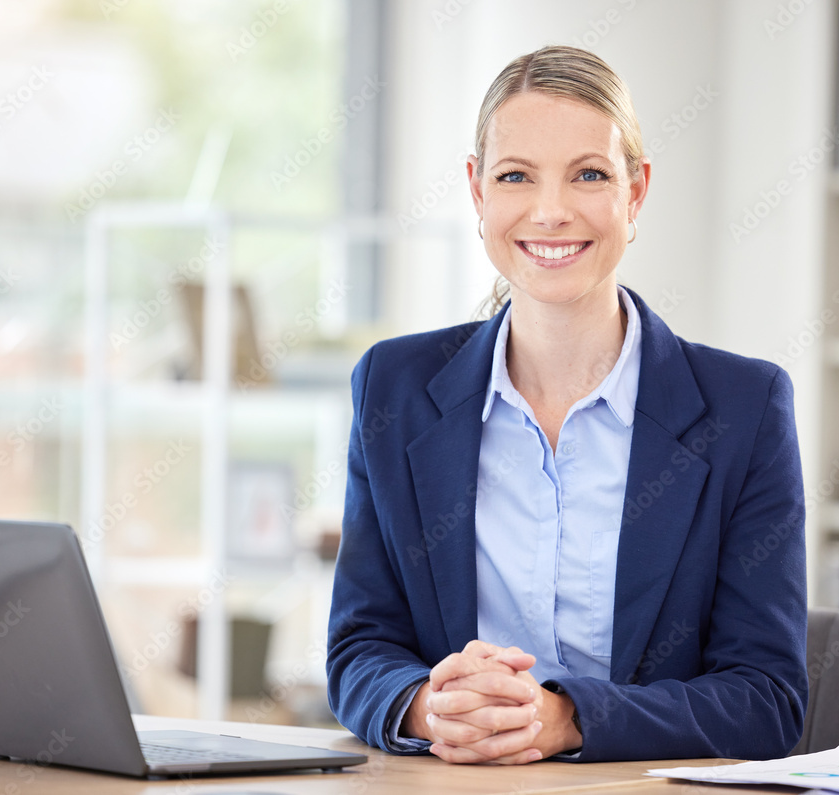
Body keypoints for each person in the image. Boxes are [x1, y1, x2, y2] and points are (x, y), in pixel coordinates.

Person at [325, 44, 807, 765]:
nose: (550, 212)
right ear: (478, 191)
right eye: (516, 176)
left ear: (635, 192)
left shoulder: (745, 408)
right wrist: (431, 705)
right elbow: (361, 647)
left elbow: (766, 697)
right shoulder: (392, 388)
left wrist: (568, 719)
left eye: (588, 174)